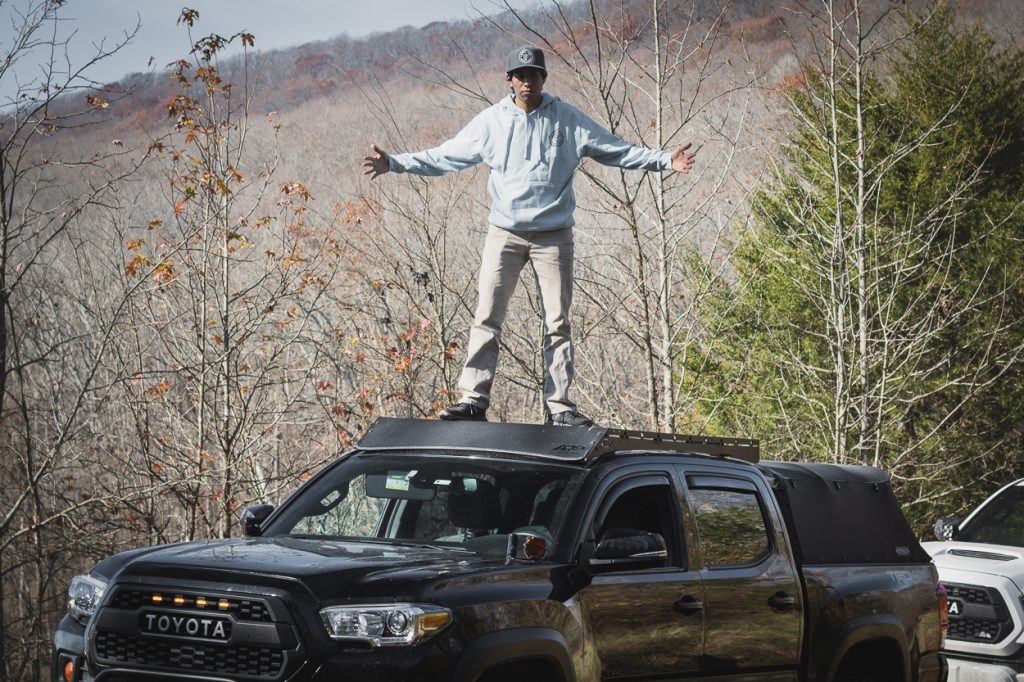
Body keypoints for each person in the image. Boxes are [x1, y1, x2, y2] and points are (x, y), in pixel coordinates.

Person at [363, 45, 696, 426]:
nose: (527, 81)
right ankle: (473, 399)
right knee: (487, 315)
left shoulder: (567, 120)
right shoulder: (491, 121)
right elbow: (445, 156)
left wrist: (664, 160)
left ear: (543, 79)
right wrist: (395, 163)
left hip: (553, 236)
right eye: (520, 75)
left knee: (558, 322)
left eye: (533, 75)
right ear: (509, 80)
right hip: (504, 233)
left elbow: (615, 150)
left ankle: (559, 407)